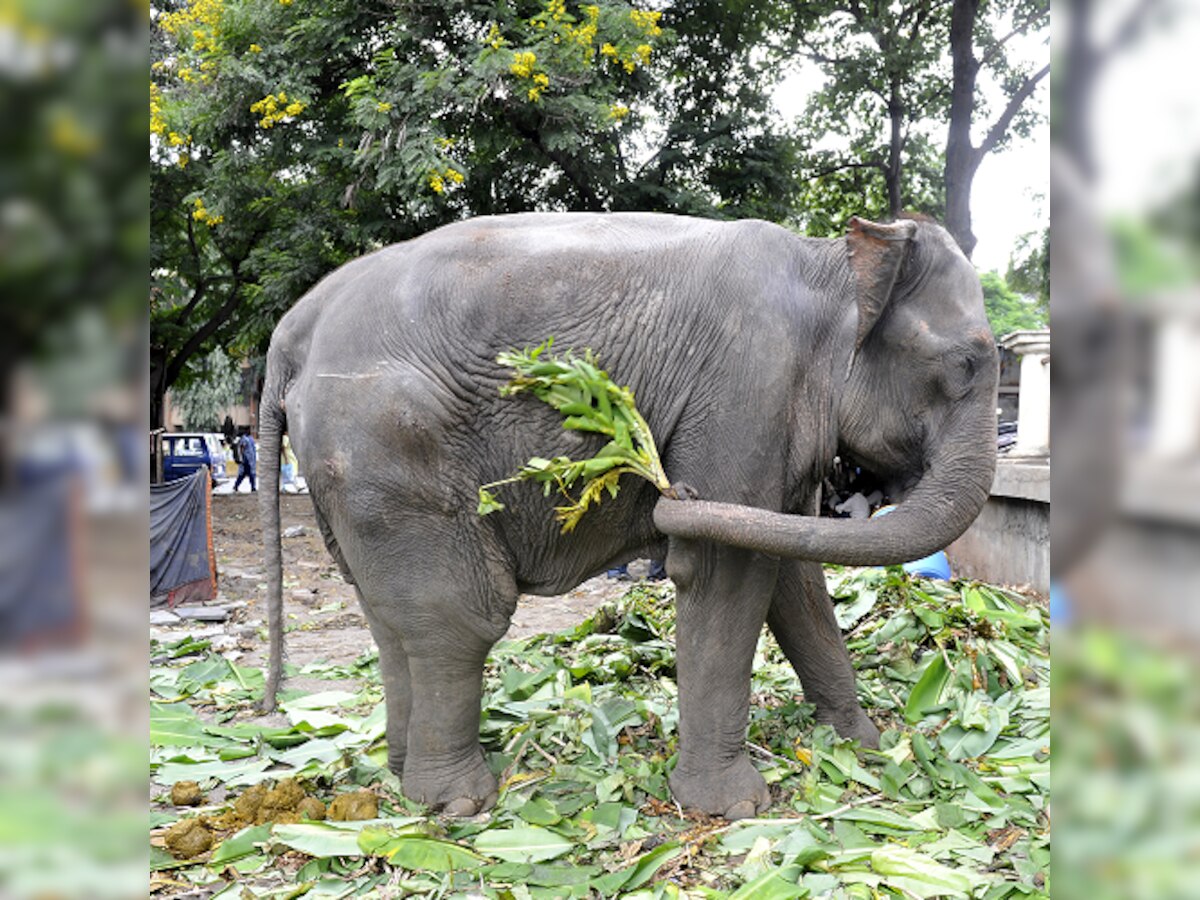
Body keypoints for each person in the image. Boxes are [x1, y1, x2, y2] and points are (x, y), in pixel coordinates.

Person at [234, 428, 257, 492]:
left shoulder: (248, 438)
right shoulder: (245, 439)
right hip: (247, 459)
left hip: (249, 460)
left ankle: (252, 487)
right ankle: (253, 487)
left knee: (246, 474)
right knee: (249, 474)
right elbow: (242, 448)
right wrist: (242, 458)